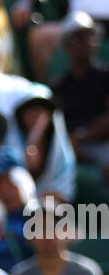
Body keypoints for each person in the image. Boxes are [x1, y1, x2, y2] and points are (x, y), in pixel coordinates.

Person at [52, 11, 109, 174]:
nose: (87, 42)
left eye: (90, 36)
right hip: (68, 148)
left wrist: (80, 136)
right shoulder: (58, 87)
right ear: (66, 45)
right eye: (78, 37)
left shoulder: (106, 77)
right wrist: (70, 141)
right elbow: (57, 126)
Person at [5, 85, 76, 204]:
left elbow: (63, 196)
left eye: (42, 109)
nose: (35, 114)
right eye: (30, 109)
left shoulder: (64, 157)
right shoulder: (7, 151)